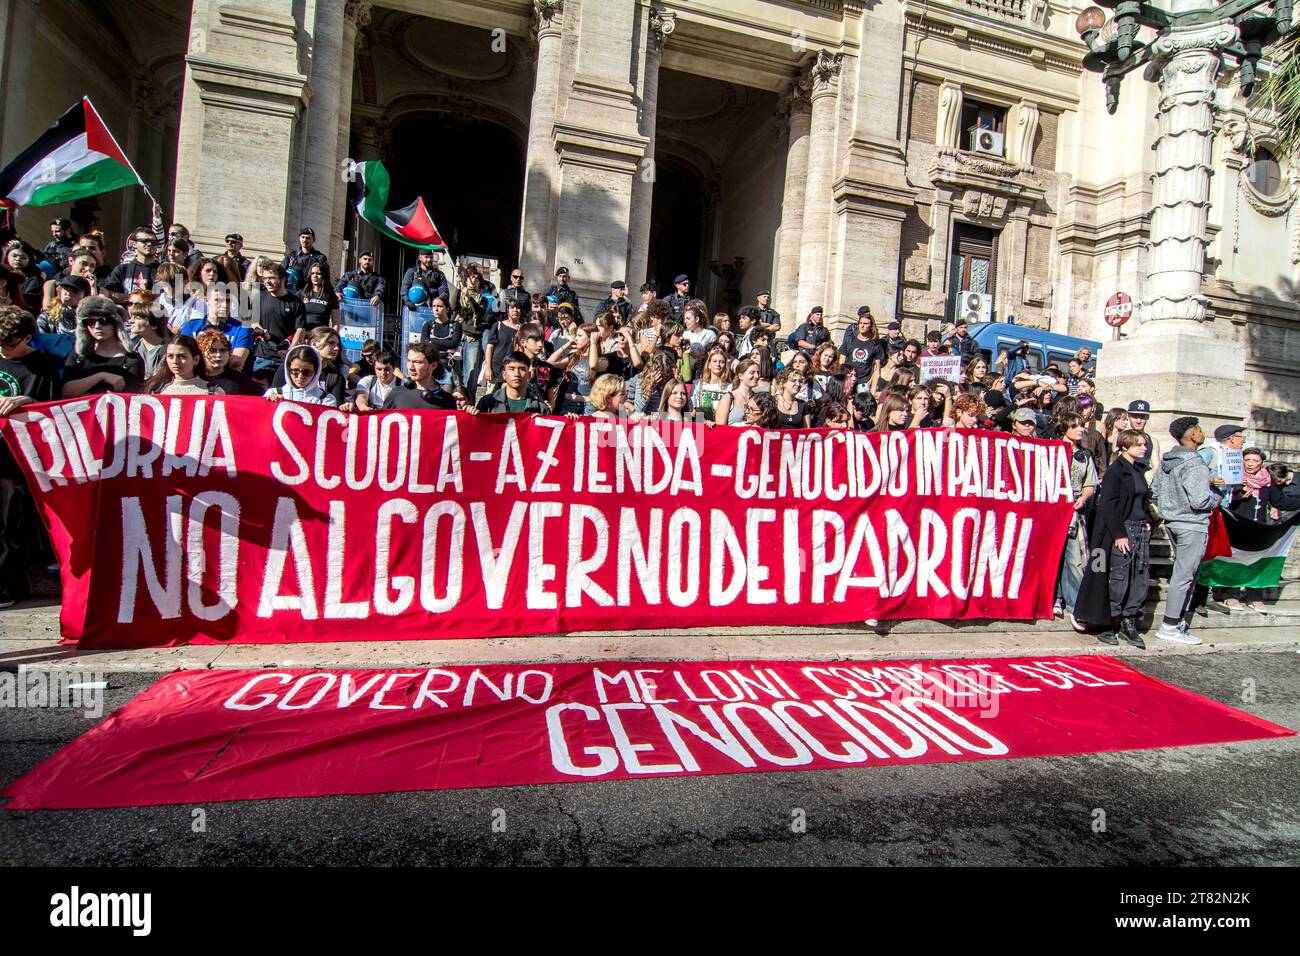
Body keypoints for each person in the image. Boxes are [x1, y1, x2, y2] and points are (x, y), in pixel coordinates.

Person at [0, 306, 64, 608]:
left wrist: (29, 402)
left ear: (27, 338)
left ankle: (7, 586)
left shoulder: (44, 366)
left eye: (9, 343)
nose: (3, 349)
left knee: (8, 523)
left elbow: (55, 411)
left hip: (14, 459)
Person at [1074, 429, 1152, 648]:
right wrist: (1119, 534)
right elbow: (1108, 504)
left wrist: (1147, 519)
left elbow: (1139, 501)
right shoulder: (1115, 471)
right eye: (1138, 444)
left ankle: (1129, 622)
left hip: (1139, 530)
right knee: (1117, 579)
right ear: (1125, 446)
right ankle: (1107, 623)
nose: (1143, 448)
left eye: (1144, 444)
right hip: (1121, 531)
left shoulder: (1137, 469)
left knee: (1138, 577)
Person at [1149, 417, 1218, 643]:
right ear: (1192, 436)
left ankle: (1176, 621)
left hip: (1173, 521)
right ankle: (1170, 625)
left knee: (1183, 573)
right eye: (1199, 429)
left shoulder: (1168, 460)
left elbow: (1155, 491)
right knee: (1184, 575)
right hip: (1192, 523)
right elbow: (1199, 501)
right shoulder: (1195, 463)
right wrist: (1217, 496)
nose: (1202, 432)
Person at [1053, 412, 1097, 623]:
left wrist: (1084, 498)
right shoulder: (1050, 449)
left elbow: (1090, 483)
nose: (1081, 429)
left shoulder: (1085, 455)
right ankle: (1054, 599)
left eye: (1082, 426)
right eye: (1076, 426)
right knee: (1052, 557)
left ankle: (1073, 604)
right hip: (1053, 512)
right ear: (1064, 428)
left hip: (1075, 512)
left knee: (1073, 559)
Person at [62, 296, 145, 397]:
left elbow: (132, 399)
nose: (97, 326)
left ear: (115, 323)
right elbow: (66, 391)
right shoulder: (78, 356)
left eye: (104, 320)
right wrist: (101, 376)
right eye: (90, 322)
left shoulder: (132, 359)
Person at [249, 262, 306, 379]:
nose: (267, 281)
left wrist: (289, 351)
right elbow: (254, 322)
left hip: (284, 358)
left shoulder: (295, 302)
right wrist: (261, 331)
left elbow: (300, 331)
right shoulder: (258, 297)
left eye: (271, 278)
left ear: (283, 279)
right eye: (264, 278)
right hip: (263, 356)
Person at [180, 287, 254, 371]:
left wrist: (197, 360)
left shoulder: (241, 329)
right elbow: (183, 357)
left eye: (228, 301)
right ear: (206, 300)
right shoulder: (191, 326)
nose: (225, 305)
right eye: (218, 300)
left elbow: (236, 362)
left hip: (228, 379)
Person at [384, 342, 457, 410]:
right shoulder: (396, 394)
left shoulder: (447, 400)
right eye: (409, 361)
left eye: (417, 362)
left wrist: (468, 411)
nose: (411, 367)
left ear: (433, 365)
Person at [452, 266, 491, 391]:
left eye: (476, 278)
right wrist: (458, 288)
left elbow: (479, 312)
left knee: (470, 375)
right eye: (471, 277)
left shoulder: (483, 299)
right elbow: (453, 306)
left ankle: (469, 401)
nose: (473, 280)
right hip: (458, 338)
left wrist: (470, 298)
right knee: (455, 375)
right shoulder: (461, 294)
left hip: (473, 339)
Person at [147, 335, 226, 395]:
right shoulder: (158, 390)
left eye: (181, 356)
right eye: (170, 356)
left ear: (196, 360)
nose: (175, 361)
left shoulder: (212, 391)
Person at [265, 344, 338, 407]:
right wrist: (270, 404)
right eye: (295, 371)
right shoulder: (273, 393)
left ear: (316, 372)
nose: (300, 377)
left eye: (307, 372)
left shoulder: (326, 400)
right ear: (288, 369)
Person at [477, 350, 549, 414]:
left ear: (529, 375)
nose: (516, 374)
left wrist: (539, 423)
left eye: (522, 369)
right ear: (504, 375)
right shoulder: (487, 403)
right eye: (511, 369)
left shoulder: (540, 408)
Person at [102, 227, 161, 303]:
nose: (149, 244)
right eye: (144, 241)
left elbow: (176, 298)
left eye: (153, 242)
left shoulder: (165, 270)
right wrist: (138, 299)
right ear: (134, 244)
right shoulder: (122, 269)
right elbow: (109, 294)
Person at [197, 329, 260, 396]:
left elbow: (264, 395)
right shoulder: (192, 377)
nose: (218, 355)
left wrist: (271, 394)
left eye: (223, 350)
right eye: (212, 351)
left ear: (229, 353)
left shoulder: (240, 380)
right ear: (201, 353)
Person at [482, 298, 526, 389]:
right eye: (512, 307)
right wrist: (488, 368)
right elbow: (490, 347)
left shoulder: (524, 329)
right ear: (507, 309)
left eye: (518, 308)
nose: (515, 310)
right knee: (492, 397)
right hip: (496, 369)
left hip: (513, 370)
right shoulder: (498, 325)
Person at [125, 290, 170, 375]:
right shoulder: (132, 344)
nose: (131, 321)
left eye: (137, 318)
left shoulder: (167, 351)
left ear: (154, 324)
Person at [838, 307, 885, 382]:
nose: (862, 326)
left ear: (871, 326)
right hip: (848, 380)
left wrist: (870, 383)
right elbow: (841, 363)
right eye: (860, 323)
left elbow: (877, 368)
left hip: (864, 382)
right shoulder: (849, 341)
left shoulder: (875, 345)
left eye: (865, 324)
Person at [714, 357, 761, 426]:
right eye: (752, 373)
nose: (756, 376)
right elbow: (720, 429)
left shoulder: (758, 398)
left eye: (758, 373)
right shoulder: (728, 398)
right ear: (740, 376)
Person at [298, 261, 338, 338]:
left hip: (321, 337)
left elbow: (335, 324)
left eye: (318, 273)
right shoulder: (301, 294)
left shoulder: (331, 296)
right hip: (302, 335)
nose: (315, 276)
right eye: (312, 273)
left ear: (324, 276)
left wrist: (332, 338)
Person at [1125, 399, 1165, 474]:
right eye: (1135, 417)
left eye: (1142, 417)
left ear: (1147, 417)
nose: (1138, 421)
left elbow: (1156, 466)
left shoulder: (1153, 441)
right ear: (1128, 416)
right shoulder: (1121, 437)